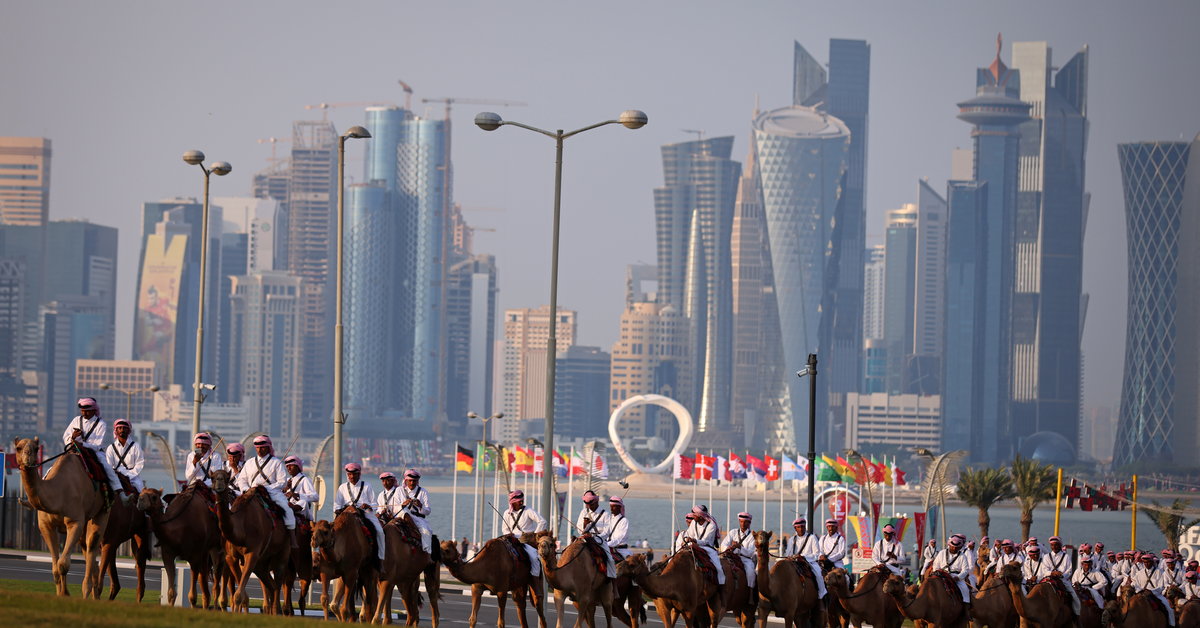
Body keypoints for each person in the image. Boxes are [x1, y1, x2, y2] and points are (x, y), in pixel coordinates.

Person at [234, 435, 296, 547]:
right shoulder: (249, 463)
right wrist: (246, 489)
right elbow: (241, 480)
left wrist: (265, 488)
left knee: (287, 509)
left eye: (262, 447)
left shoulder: (276, 462)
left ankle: (292, 538)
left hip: (272, 493)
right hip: (250, 492)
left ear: (268, 448)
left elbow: (282, 482)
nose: (259, 450)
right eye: (257, 448)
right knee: (233, 507)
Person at [62, 397, 128, 502]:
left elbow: (97, 445)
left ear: (94, 410)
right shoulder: (76, 420)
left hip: (94, 452)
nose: (84, 413)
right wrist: (72, 438)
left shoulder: (101, 424)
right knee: (57, 464)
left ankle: (121, 493)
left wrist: (82, 444)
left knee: (107, 468)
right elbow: (66, 436)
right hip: (74, 450)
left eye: (87, 411)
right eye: (82, 410)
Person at [333, 462, 385, 562]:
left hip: (364, 512)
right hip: (346, 513)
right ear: (347, 475)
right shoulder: (342, 487)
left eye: (354, 474)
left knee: (379, 531)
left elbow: (374, 504)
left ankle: (380, 559)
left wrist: (368, 506)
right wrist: (343, 509)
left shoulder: (367, 486)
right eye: (349, 474)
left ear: (359, 474)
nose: (352, 476)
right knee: (332, 531)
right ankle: (333, 556)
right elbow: (336, 505)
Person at [672, 506, 725, 587]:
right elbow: (689, 534)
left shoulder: (711, 525)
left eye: (695, 515)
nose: (693, 516)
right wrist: (686, 541)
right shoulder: (694, 522)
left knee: (718, 568)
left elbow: (706, 541)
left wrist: (694, 541)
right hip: (692, 546)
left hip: (708, 548)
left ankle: (721, 585)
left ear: (701, 516)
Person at [1023, 544, 1080, 616]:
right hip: (1030, 583)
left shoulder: (1044, 560)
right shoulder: (1026, 563)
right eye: (1033, 555)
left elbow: (1045, 572)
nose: (1035, 556)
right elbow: (1025, 575)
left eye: (1037, 554)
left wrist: (1037, 578)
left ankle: (1076, 614)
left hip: (1042, 582)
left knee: (1073, 595)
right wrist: (1029, 579)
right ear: (1029, 555)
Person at [500, 489, 546, 578]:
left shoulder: (528, 510)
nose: (521, 503)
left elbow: (542, 521)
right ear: (512, 502)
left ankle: (535, 577)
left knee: (534, 558)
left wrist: (535, 534)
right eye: (519, 501)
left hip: (526, 541)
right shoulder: (507, 513)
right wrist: (508, 534)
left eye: (522, 501)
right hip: (511, 540)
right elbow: (504, 529)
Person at [782, 517, 827, 600]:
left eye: (802, 527)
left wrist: (803, 557)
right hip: (794, 562)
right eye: (799, 527)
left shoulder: (812, 537)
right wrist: (789, 557)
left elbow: (816, 554)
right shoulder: (792, 539)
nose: (801, 529)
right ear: (795, 528)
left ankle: (821, 595)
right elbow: (788, 553)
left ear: (805, 527)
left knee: (818, 574)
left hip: (810, 562)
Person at [927, 535, 975, 612]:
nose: (954, 548)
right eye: (952, 546)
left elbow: (965, 570)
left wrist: (958, 577)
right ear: (949, 545)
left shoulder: (962, 556)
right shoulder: (942, 553)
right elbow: (936, 565)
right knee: (928, 585)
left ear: (959, 547)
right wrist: (937, 572)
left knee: (965, 589)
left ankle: (966, 610)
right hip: (941, 575)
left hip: (956, 577)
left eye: (956, 547)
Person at [575, 490, 616, 577]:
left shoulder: (605, 514)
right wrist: (584, 526)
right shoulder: (583, 512)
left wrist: (595, 537)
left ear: (597, 501)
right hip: (584, 538)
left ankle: (612, 581)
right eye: (588, 505)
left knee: (610, 560)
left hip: (599, 541)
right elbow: (579, 528)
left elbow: (607, 531)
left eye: (592, 504)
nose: (590, 506)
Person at [1130, 553, 1176, 626]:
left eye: (1148, 562)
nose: (1146, 564)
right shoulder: (1139, 573)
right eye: (1145, 562)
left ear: (1152, 562)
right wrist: (1140, 591)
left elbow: (1161, 586)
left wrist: (1151, 591)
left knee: (1169, 608)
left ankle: (1172, 625)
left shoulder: (1159, 572)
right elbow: (1135, 584)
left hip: (1156, 595)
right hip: (1141, 595)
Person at [105, 418, 145, 493]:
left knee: (141, 494)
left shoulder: (136, 446)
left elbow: (139, 464)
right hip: (116, 477)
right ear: (116, 431)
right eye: (119, 428)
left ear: (128, 431)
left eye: (124, 428)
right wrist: (117, 476)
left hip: (133, 478)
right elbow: (109, 465)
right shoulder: (111, 448)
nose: (122, 430)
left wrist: (129, 476)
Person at [398, 469, 433, 554]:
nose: (412, 483)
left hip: (418, 519)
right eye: (410, 481)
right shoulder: (399, 490)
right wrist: (402, 505)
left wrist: (420, 506)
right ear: (406, 480)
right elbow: (395, 506)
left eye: (414, 481)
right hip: (402, 516)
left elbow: (428, 511)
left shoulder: (423, 492)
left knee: (426, 532)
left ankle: (427, 553)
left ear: (418, 481)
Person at [719, 512, 757, 588]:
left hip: (745, 559)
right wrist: (729, 547)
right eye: (741, 522)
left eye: (745, 522)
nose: (743, 524)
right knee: (719, 566)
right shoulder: (733, 532)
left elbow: (751, 553)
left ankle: (751, 592)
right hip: (731, 556)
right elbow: (723, 544)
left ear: (749, 523)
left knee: (750, 572)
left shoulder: (752, 536)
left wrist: (740, 547)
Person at [283, 456, 317, 521]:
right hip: (287, 506)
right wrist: (286, 488)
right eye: (287, 466)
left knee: (303, 502)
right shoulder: (286, 481)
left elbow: (315, 497)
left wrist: (297, 495)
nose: (288, 468)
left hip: (301, 511)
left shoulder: (305, 480)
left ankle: (290, 510)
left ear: (298, 466)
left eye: (291, 466)